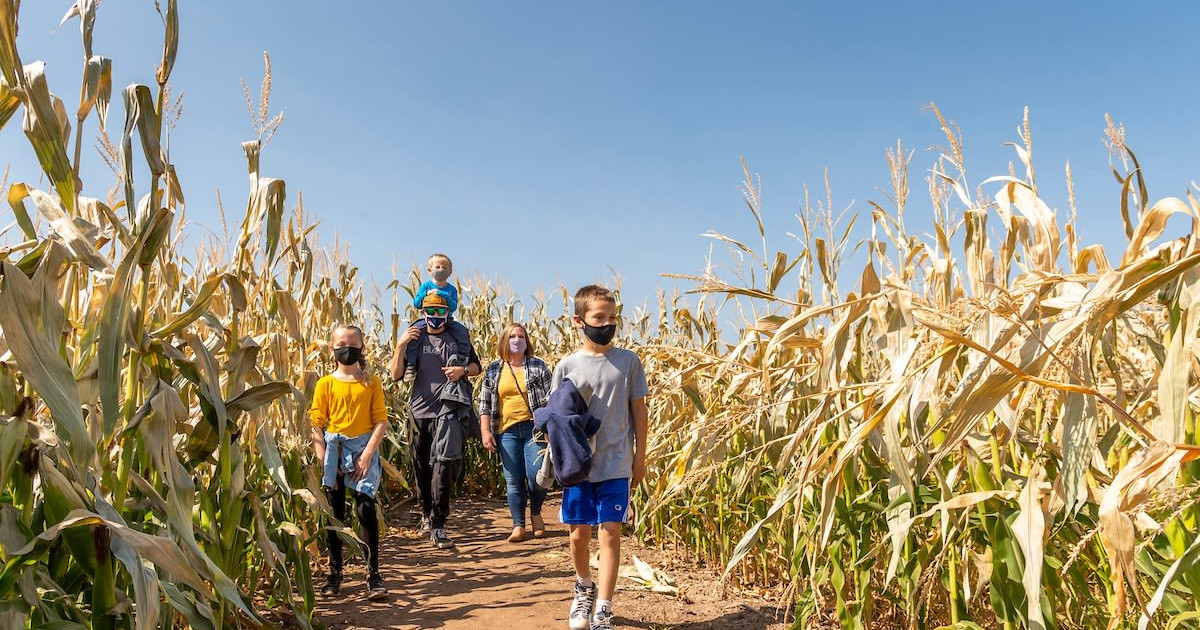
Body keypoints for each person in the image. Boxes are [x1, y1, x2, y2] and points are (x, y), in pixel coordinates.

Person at [551, 285, 649, 630]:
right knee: (578, 535)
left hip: (617, 462)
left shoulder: (629, 362)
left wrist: (640, 457)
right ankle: (583, 587)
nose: (607, 324)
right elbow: (557, 419)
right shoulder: (567, 366)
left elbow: (639, 410)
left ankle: (604, 609)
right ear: (579, 321)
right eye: (599, 318)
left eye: (612, 318)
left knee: (610, 533)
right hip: (579, 466)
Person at [389, 290, 482, 550]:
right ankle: (426, 516)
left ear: (449, 313)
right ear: (422, 312)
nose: (435, 316)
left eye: (441, 311)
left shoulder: (457, 337)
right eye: (431, 311)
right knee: (422, 469)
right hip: (419, 414)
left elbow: (477, 367)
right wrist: (400, 344)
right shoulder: (415, 339)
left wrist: (463, 370)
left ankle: (439, 524)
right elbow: (395, 374)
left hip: (447, 412)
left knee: (443, 466)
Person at [309, 325, 389, 600]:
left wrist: (367, 455)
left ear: (361, 348)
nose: (347, 348)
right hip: (335, 453)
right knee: (335, 517)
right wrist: (324, 461)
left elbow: (381, 421)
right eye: (342, 344)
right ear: (332, 350)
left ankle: (373, 575)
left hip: (363, 450)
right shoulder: (325, 384)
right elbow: (316, 424)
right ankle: (335, 575)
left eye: (353, 343)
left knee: (366, 511)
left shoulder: (371, 383)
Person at [477, 323, 553, 543]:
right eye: (512, 336)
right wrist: (485, 431)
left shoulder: (538, 366)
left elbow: (553, 397)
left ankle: (536, 512)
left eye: (521, 336)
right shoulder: (494, 369)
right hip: (506, 430)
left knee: (538, 475)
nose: (517, 340)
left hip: (534, 429)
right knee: (513, 480)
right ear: (504, 341)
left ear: (527, 341)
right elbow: (484, 405)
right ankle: (518, 525)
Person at [405, 253, 470, 368]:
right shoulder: (426, 286)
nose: (441, 269)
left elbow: (454, 307)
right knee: (413, 333)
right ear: (430, 270)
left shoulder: (452, 289)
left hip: (446, 319)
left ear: (450, 272)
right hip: (427, 320)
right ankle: (411, 363)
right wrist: (426, 294)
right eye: (438, 267)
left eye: (445, 268)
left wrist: (442, 294)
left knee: (461, 332)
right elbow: (417, 303)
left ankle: (463, 358)